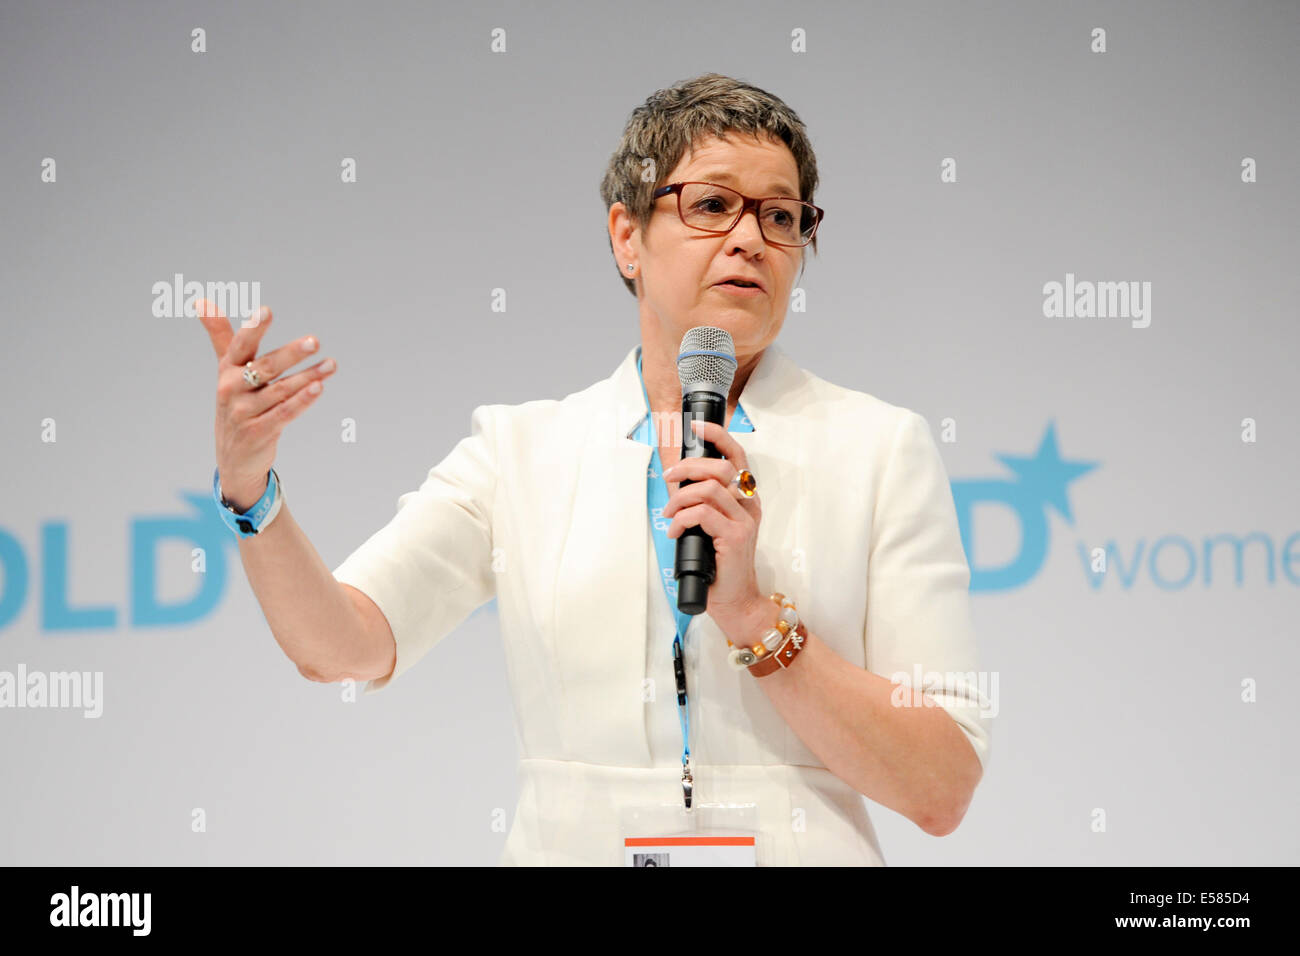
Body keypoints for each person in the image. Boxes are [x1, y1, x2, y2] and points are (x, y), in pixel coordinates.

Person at [198, 73, 992, 866]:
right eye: (713, 204)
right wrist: (249, 489)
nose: (750, 239)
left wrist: (755, 619)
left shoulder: (879, 450)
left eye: (780, 216)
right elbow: (340, 646)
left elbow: (942, 787)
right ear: (626, 236)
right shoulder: (518, 452)